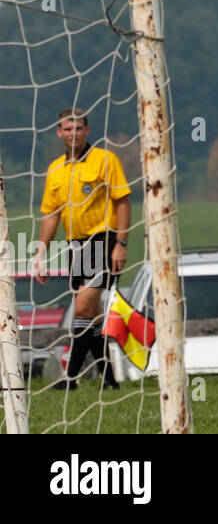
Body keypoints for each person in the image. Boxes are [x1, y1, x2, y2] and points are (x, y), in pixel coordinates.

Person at [33, 108, 131, 391]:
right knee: (92, 316)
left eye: (78, 128)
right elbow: (51, 215)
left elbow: (123, 201)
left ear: (87, 131)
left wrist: (121, 244)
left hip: (104, 239)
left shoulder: (104, 159)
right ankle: (109, 380)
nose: (73, 134)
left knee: (83, 306)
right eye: (67, 129)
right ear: (59, 132)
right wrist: (40, 253)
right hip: (75, 244)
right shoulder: (55, 170)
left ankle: (70, 378)